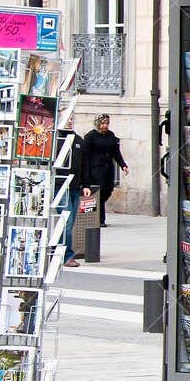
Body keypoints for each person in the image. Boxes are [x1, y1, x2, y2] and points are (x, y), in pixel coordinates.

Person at [53, 125, 91, 268]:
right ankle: (67, 256)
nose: (69, 122)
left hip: (75, 186)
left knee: (69, 222)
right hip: (60, 186)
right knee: (66, 222)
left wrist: (86, 184)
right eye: (66, 118)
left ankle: (58, 250)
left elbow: (85, 164)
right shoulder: (56, 139)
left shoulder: (79, 140)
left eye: (71, 119)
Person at [81, 114, 128, 226]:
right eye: (102, 123)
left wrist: (123, 165)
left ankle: (97, 217)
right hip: (96, 169)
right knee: (99, 193)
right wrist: (86, 171)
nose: (105, 126)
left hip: (108, 169)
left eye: (106, 123)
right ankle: (100, 220)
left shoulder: (111, 135)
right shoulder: (90, 136)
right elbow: (86, 155)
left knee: (107, 191)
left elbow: (116, 152)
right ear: (97, 124)